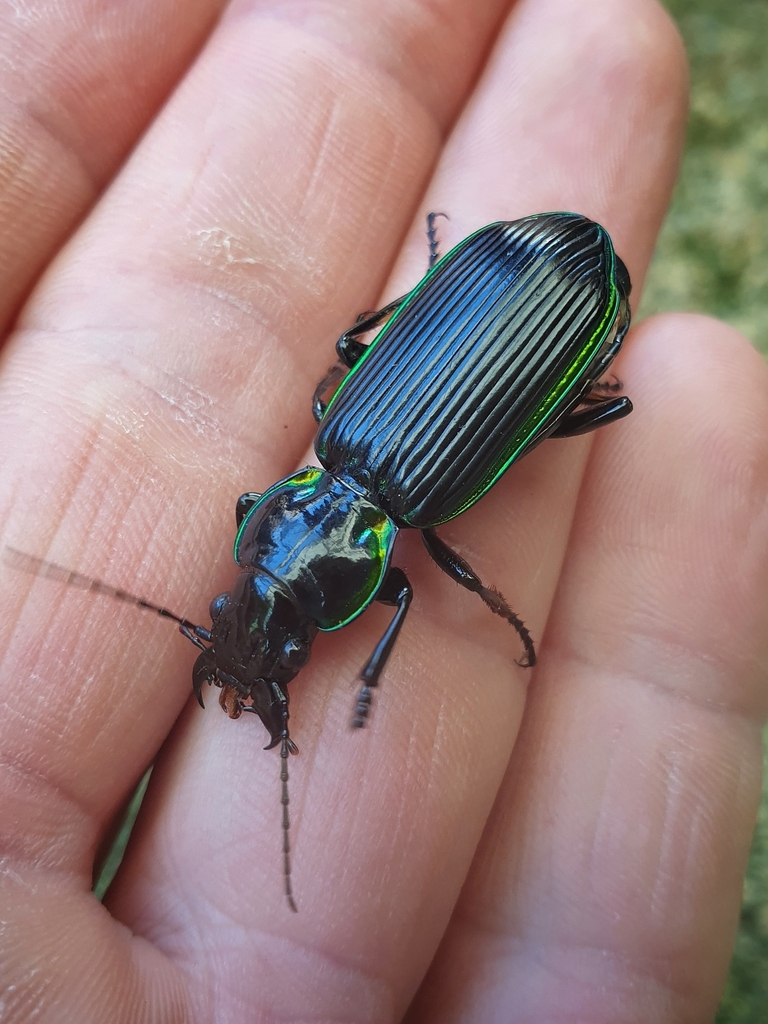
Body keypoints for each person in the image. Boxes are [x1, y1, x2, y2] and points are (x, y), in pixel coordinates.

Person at [0, 0, 765, 1020]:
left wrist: (371, 676)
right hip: (506, 277)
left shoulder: (366, 476)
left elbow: (395, 602)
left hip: (555, 293)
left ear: (267, 527)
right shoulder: (338, 436)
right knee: (364, 373)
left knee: (601, 406)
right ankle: (447, 283)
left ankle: (459, 292)